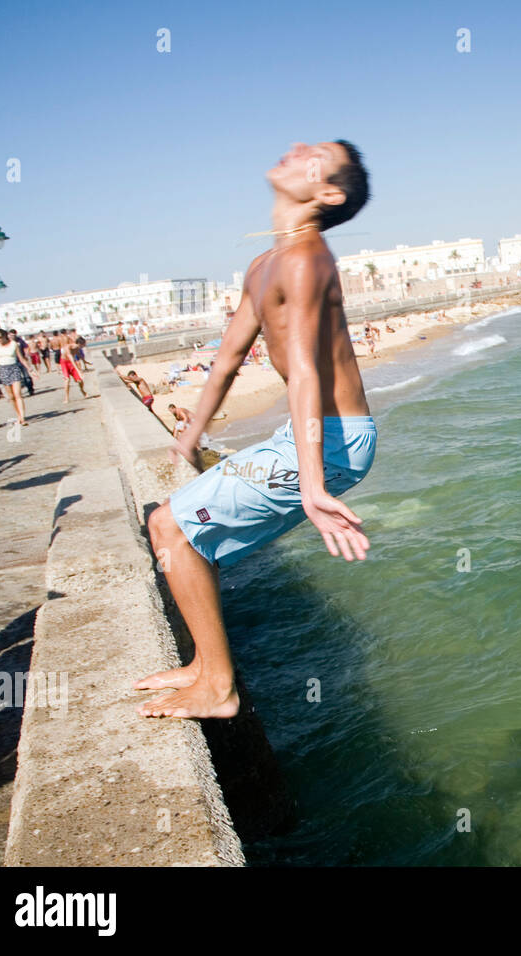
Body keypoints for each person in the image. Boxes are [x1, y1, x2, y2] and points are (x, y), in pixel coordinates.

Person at [135, 139, 376, 720]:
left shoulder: (305, 258)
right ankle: (203, 666)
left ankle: (218, 687)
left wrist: (314, 487)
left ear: (328, 194)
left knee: (170, 526)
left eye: (314, 154)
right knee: (178, 527)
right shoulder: (267, 262)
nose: (296, 148)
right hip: (318, 436)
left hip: (331, 438)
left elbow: (305, 378)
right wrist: (188, 435)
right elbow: (226, 360)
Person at [0, 329, 31, 426]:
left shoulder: (14, 344)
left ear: (5, 336)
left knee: (18, 394)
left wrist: (30, 369)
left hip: (14, 368)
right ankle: (18, 415)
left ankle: (22, 417)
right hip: (3, 370)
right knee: (11, 397)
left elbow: (21, 358)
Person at [56, 330, 89, 403]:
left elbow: (79, 355)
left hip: (71, 363)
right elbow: (72, 360)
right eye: (84, 344)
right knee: (67, 380)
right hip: (64, 363)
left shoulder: (77, 348)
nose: (85, 346)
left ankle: (82, 390)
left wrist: (85, 361)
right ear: (80, 344)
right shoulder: (68, 347)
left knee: (80, 380)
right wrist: (79, 371)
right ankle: (66, 398)